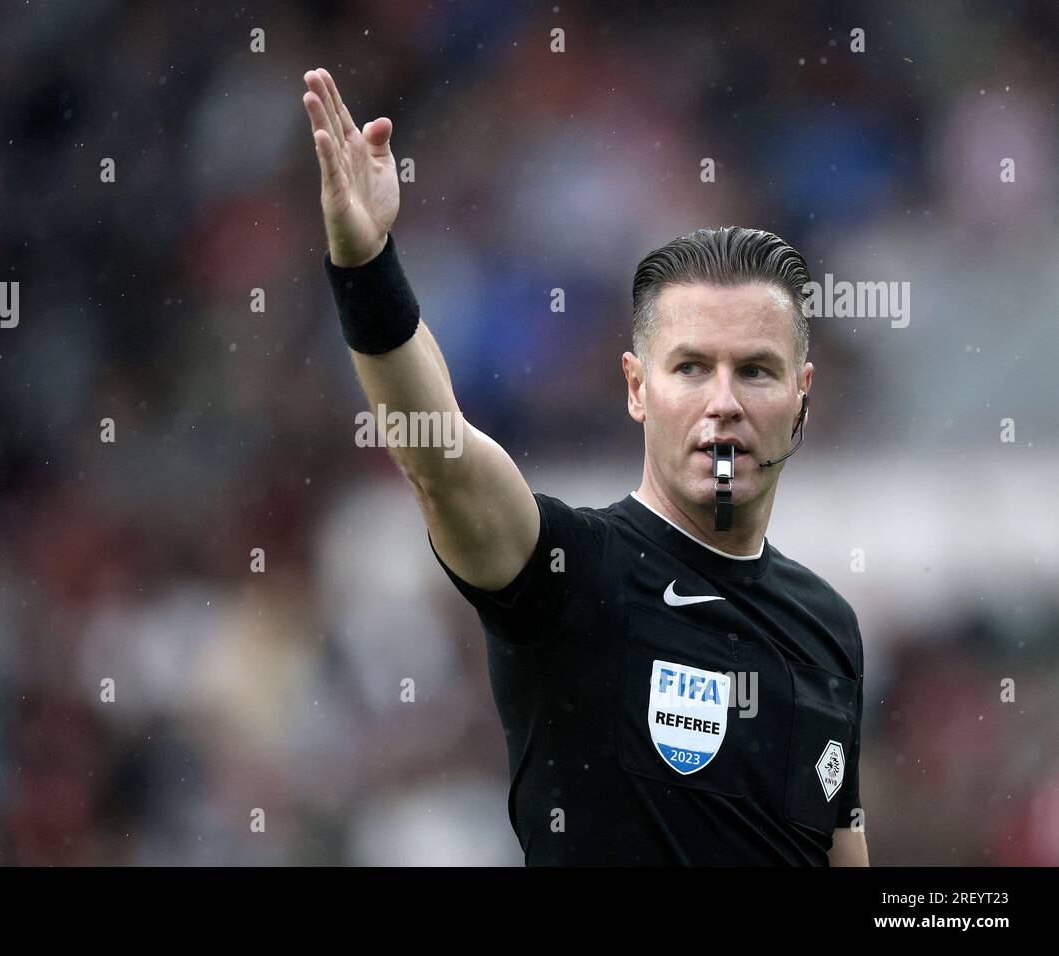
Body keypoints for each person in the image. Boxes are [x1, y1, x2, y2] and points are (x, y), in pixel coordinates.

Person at [303, 67, 867, 866]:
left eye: (758, 371)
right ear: (637, 388)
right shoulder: (571, 573)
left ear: (802, 398)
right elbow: (441, 457)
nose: (724, 402)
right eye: (691, 368)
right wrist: (367, 270)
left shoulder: (828, 626)